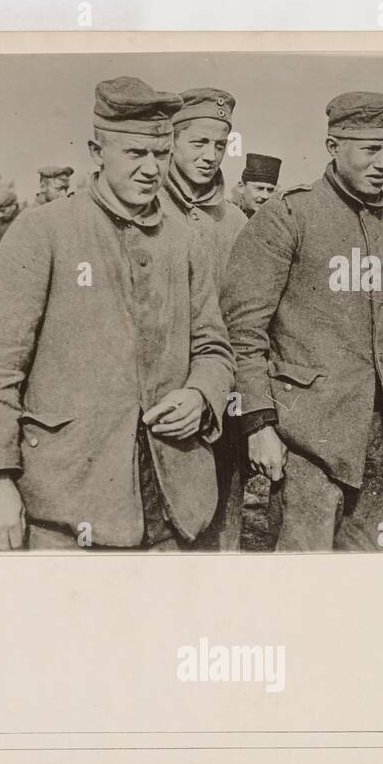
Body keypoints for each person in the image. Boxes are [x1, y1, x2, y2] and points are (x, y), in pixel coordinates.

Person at [0, 76, 234, 551]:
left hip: (175, 501)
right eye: (134, 154)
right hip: (68, 504)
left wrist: (201, 395)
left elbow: (214, 346)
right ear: (97, 150)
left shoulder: (182, 239)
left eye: (161, 154)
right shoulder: (43, 230)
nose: (151, 168)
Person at [219, 91, 383, 552]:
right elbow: (243, 333)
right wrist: (258, 424)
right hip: (309, 444)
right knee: (304, 590)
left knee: (369, 589)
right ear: (332, 146)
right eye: (369, 150)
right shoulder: (287, 216)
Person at [162, 87, 249, 550]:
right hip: (162, 406)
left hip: (223, 404)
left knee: (221, 535)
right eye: (198, 143)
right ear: (172, 141)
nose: (211, 155)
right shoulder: (145, 209)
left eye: (220, 144)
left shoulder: (235, 223)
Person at [228, 153, 282, 217]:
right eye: (259, 188)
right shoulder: (228, 216)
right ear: (241, 187)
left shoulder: (277, 220)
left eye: (270, 190)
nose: (265, 196)